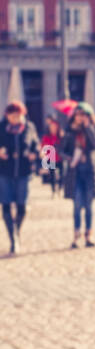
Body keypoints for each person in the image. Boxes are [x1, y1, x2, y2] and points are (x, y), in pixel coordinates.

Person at [61, 102, 95, 248]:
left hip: (91, 172)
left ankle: (89, 234)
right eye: (78, 115)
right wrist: (71, 158)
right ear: (74, 116)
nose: (80, 118)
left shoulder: (94, 129)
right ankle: (76, 234)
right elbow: (60, 150)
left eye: (84, 115)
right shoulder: (69, 131)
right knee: (77, 205)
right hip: (75, 173)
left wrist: (88, 128)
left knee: (89, 206)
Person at [1, 101, 41, 254]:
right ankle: (13, 239)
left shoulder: (29, 127)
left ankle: (16, 231)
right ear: (7, 115)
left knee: (22, 207)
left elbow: (36, 145)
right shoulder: (1, 128)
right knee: (5, 205)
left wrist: (36, 155)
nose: (15, 118)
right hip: (5, 172)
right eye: (12, 115)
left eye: (18, 115)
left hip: (24, 172)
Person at [40, 114, 62, 196]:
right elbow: (43, 147)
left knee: (62, 174)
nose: (53, 128)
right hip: (52, 158)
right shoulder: (46, 137)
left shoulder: (60, 136)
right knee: (52, 175)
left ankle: (60, 188)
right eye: (51, 127)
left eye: (54, 127)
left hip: (60, 158)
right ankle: (53, 191)